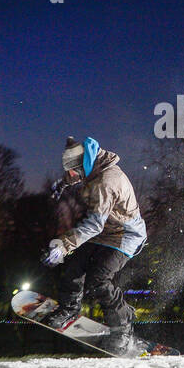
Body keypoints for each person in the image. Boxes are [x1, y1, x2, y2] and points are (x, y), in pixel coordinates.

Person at [41, 136, 147, 343]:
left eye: (73, 171)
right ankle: (69, 308)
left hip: (125, 235)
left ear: (84, 165)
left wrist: (63, 246)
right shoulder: (93, 164)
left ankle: (122, 326)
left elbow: (93, 225)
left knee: (98, 279)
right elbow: (77, 172)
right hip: (105, 230)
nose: (72, 175)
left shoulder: (107, 182)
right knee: (75, 264)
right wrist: (62, 183)